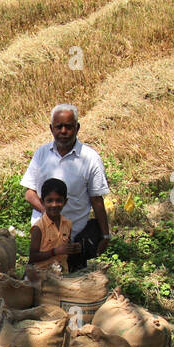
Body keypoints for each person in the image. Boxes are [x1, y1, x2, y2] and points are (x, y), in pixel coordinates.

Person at [20, 103, 111, 272]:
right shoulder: (42, 154)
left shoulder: (90, 159)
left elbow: (97, 200)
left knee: (73, 287)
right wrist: (48, 215)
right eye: (58, 126)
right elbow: (30, 193)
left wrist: (105, 234)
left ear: (77, 128)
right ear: (51, 128)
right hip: (43, 239)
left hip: (74, 237)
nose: (63, 131)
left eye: (68, 127)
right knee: (37, 287)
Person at [28, 178, 76, 273]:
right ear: (42, 202)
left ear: (65, 202)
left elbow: (66, 249)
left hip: (62, 274)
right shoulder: (39, 227)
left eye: (58, 200)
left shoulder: (67, 224)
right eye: (49, 201)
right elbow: (33, 257)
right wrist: (54, 252)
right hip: (42, 276)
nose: (54, 205)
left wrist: (72, 248)